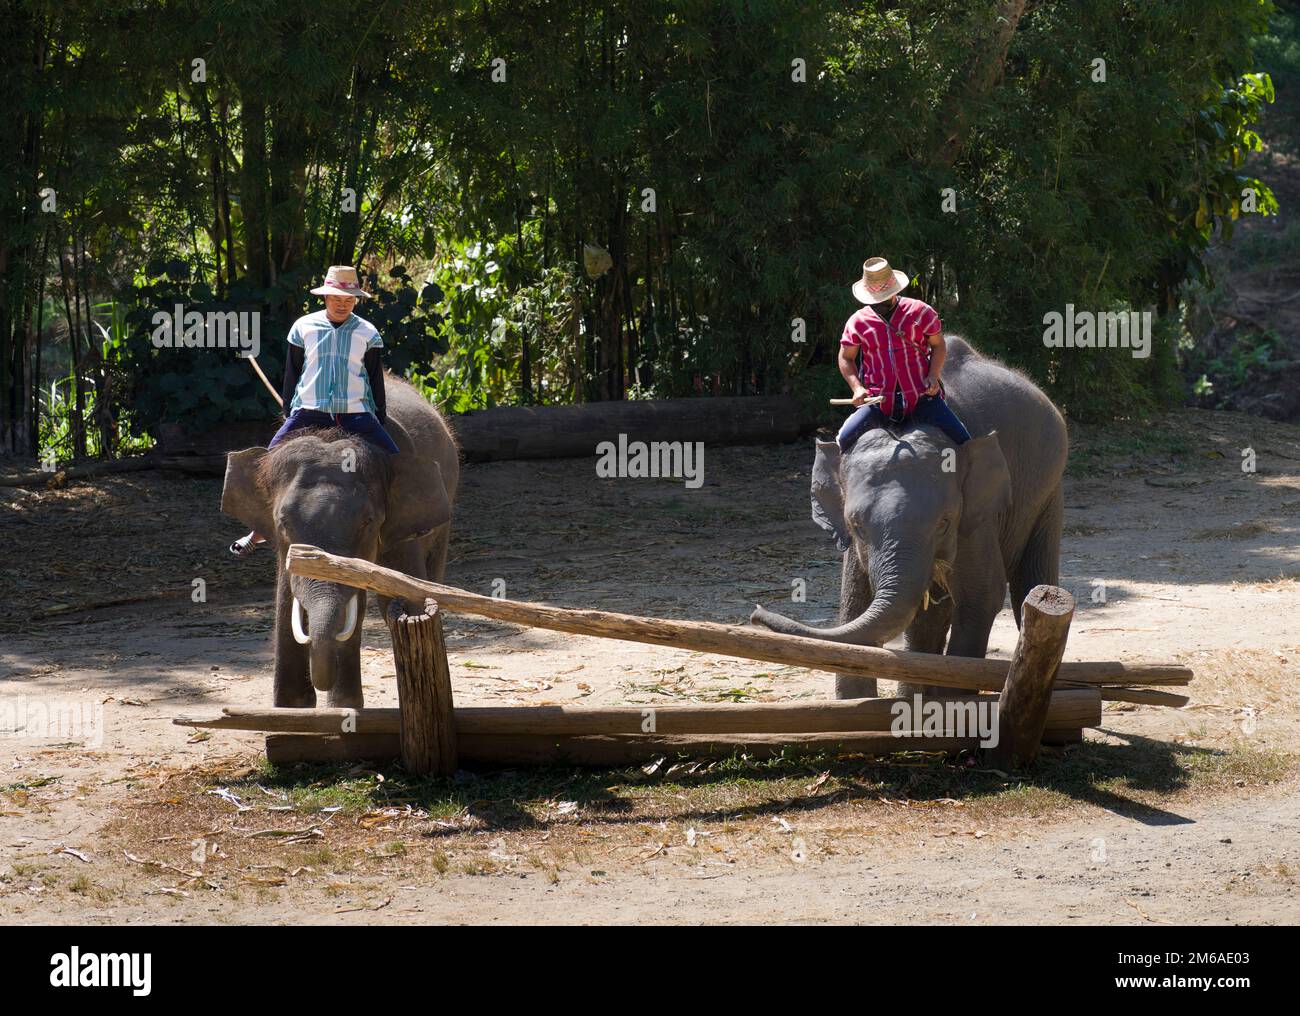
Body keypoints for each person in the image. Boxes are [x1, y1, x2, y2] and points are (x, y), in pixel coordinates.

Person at [229, 265, 398, 556]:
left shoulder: (367, 332)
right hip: (310, 409)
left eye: (348, 299)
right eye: (336, 298)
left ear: (356, 299)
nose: (342, 304)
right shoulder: (303, 327)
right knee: (266, 463)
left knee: (394, 460)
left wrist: (378, 416)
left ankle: (394, 525)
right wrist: (288, 409)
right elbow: (292, 372)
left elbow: (373, 378)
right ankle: (260, 530)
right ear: (325, 297)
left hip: (354, 412)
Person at [836, 256, 972, 453]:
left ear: (894, 292)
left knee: (963, 440)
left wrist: (933, 376)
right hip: (879, 402)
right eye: (874, 300)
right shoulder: (857, 322)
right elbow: (846, 357)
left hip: (921, 397)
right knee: (842, 439)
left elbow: (938, 345)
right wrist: (857, 388)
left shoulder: (920, 312)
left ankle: (975, 479)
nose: (878, 303)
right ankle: (836, 484)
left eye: (883, 299)